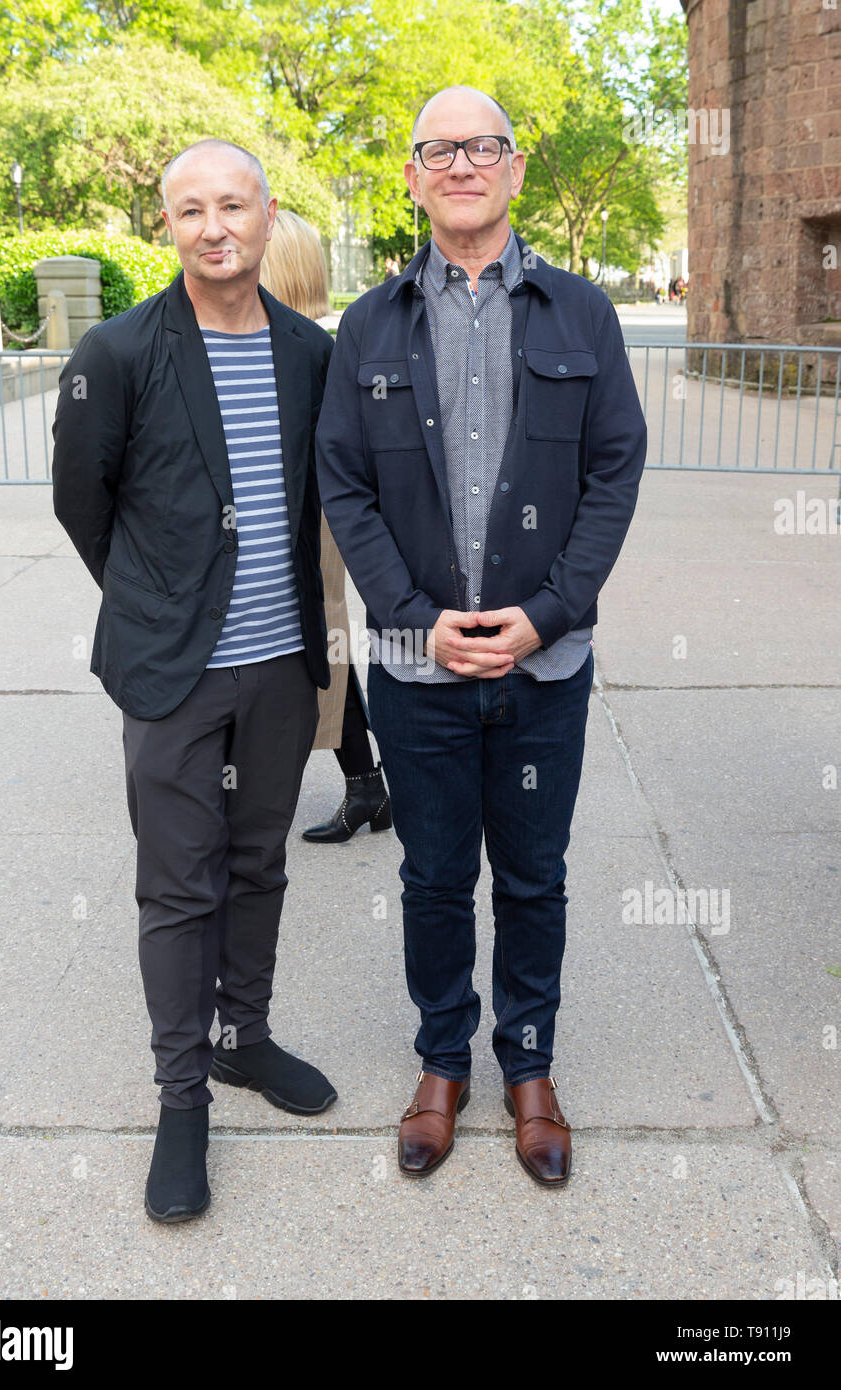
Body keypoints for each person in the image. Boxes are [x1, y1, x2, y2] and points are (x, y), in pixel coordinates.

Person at [317, 87, 647, 1186]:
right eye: (437, 149)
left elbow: (611, 474)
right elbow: (344, 487)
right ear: (412, 177)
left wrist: (544, 613)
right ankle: (440, 1060)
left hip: (544, 667)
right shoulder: (367, 325)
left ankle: (530, 1063)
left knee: (534, 877)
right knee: (431, 875)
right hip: (417, 675)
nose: (461, 164)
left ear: (512, 170)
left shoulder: (582, 314)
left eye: (483, 147)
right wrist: (414, 621)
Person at [52, 139, 338, 1225]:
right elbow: (85, 504)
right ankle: (180, 1097)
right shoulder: (118, 353)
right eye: (189, 210)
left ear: (267, 216)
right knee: (180, 885)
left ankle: (241, 1039)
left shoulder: (309, 352)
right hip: (170, 675)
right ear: (165, 227)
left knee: (257, 862)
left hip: (277, 668)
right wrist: (158, 604)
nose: (213, 227)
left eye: (232, 205)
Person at [258, 209, 392, 842]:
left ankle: (364, 783)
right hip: (304, 517)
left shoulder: (308, 349)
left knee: (317, 648)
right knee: (322, 649)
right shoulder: (308, 341)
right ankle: (367, 784)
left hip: (306, 521)